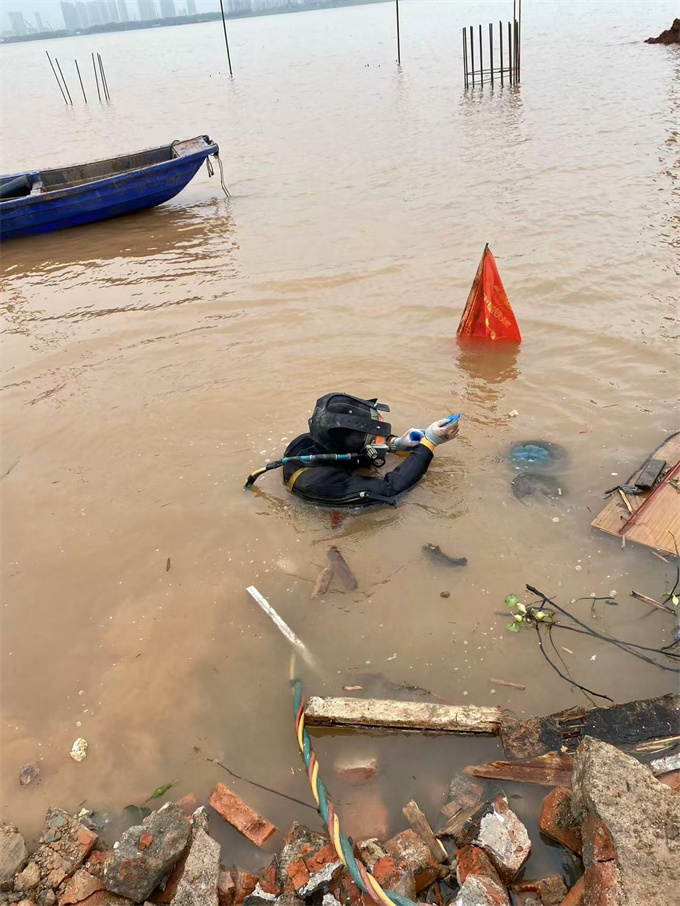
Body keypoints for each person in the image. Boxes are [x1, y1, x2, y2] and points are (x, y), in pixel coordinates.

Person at [281, 392, 459, 507]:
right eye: (376, 435)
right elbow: (391, 489)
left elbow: (361, 443)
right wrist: (428, 443)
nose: (381, 436)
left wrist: (396, 444)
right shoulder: (320, 482)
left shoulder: (322, 438)